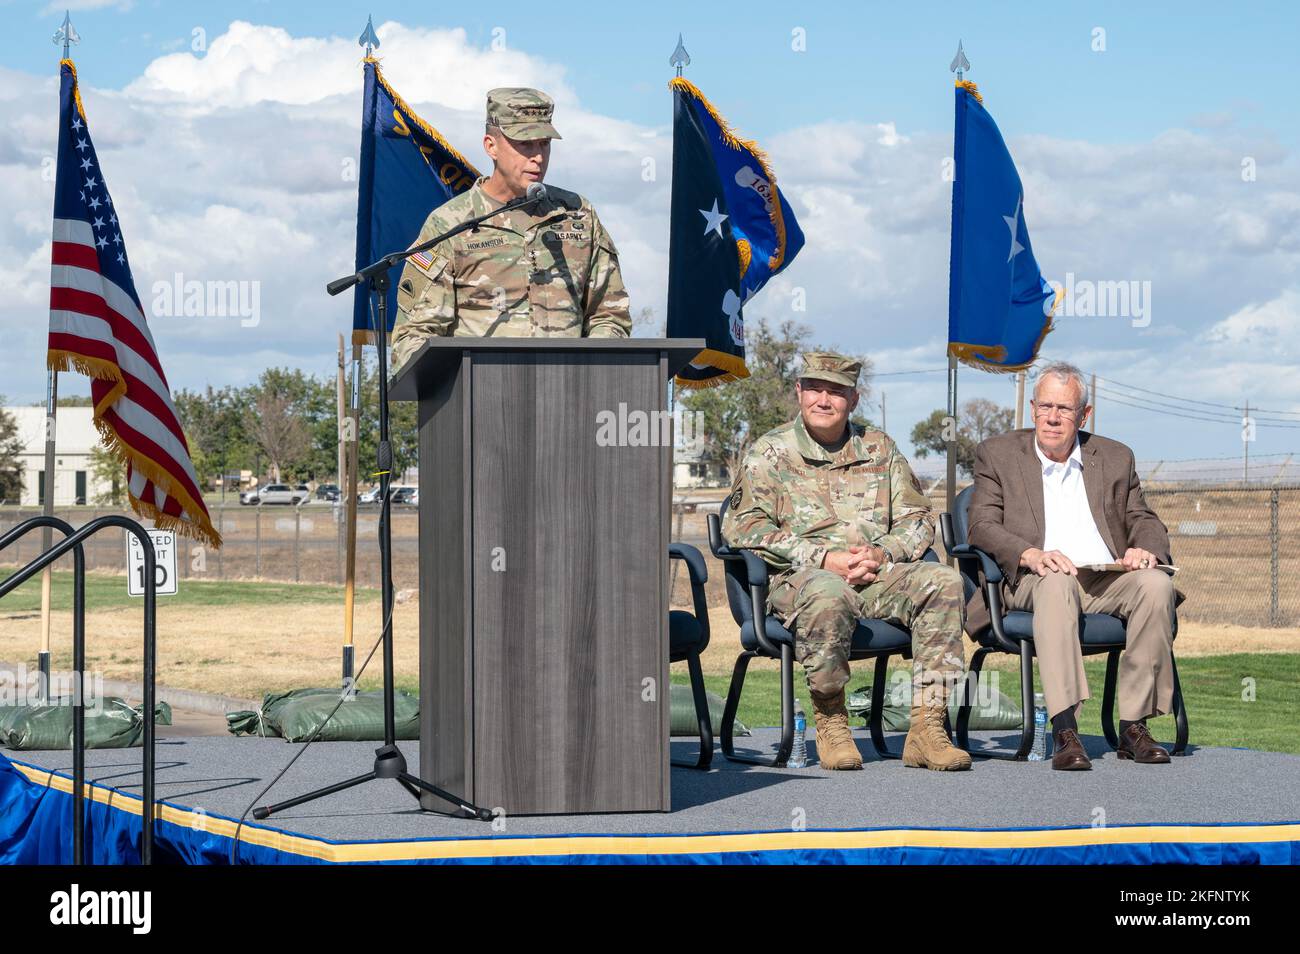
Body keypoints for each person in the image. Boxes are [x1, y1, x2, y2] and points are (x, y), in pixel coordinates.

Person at [722, 352, 970, 772]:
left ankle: (927, 728)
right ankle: (831, 720)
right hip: (799, 581)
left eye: (836, 392)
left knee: (944, 581)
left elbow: (918, 518)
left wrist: (883, 552)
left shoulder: (880, 447)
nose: (824, 400)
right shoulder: (770, 452)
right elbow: (742, 527)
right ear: (799, 392)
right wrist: (821, 557)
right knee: (827, 590)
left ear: (853, 400)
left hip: (875, 575)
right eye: (815, 389)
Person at [967, 362, 1180, 771]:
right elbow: (981, 526)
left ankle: (1134, 727)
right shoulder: (998, 453)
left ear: (1084, 415)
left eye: (1064, 409)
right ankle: (1065, 729)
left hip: (1102, 577)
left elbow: (1144, 519)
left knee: (1155, 585)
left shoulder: (1115, 456)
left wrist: (1144, 550)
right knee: (1057, 581)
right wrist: (1028, 553)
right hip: (1031, 579)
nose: (1052, 417)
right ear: (1032, 409)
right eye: (1045, 406)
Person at [391, 87, 631, 372]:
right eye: (524, 144)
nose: (538, 157)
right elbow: (414, 336)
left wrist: (589, 371)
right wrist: (453, 383)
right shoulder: (450, 224)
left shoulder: (578, 215)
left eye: (544, 144)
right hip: (479, 400)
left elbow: (610, 315)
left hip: (570, 397)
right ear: (491, 146)